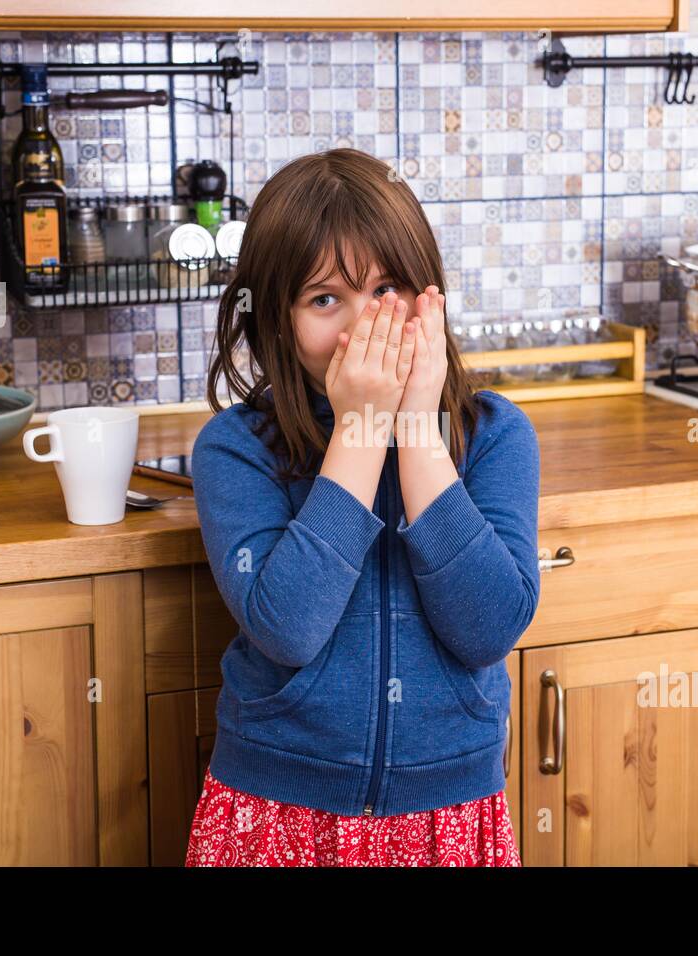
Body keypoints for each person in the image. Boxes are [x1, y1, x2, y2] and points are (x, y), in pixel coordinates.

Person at [185, 147, 540, 866]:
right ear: (279, 321)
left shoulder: (496, 437)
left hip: (448, 810)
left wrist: (415, 434)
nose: (362, 329)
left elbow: (489, 629)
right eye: (324, 299)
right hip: (277, 811)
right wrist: (358, 430)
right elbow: (288, 627)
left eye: (386, 290)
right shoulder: (237, 449)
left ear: (429, 295)